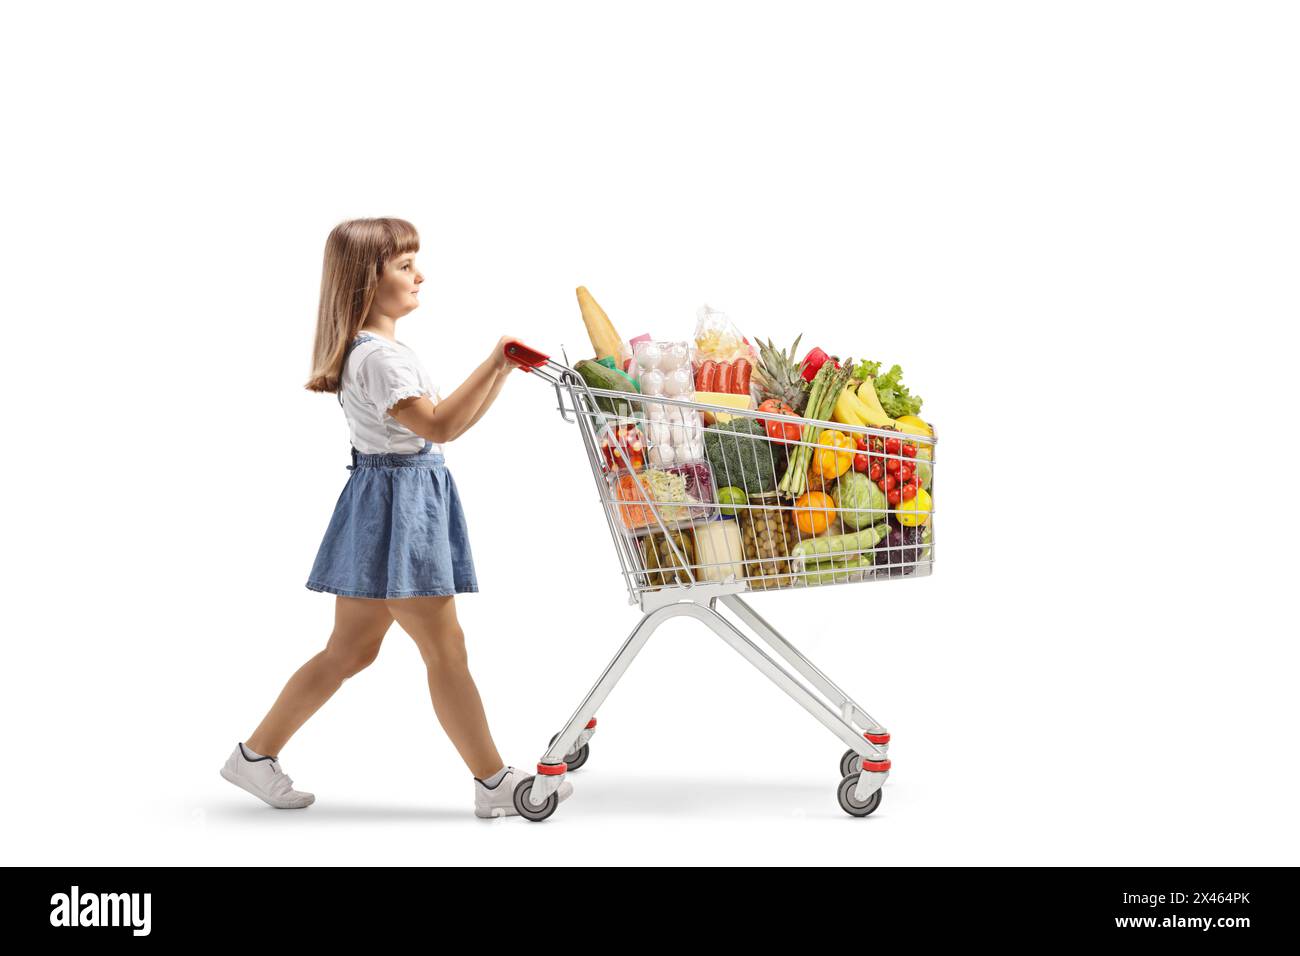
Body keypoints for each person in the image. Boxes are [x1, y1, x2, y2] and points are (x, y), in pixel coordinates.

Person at [219, 217, 570, 819]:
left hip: (391, 499)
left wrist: (502, 370)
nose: (419, 274)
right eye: (404, 265)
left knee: (350, 651)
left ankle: (253, 757)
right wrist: (494, 361)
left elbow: (443, 428)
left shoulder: (378, 351)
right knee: (446, 649)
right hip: (401, 507)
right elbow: (440, 427)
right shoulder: (380, 359)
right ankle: (492, 782)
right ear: (366, 279)